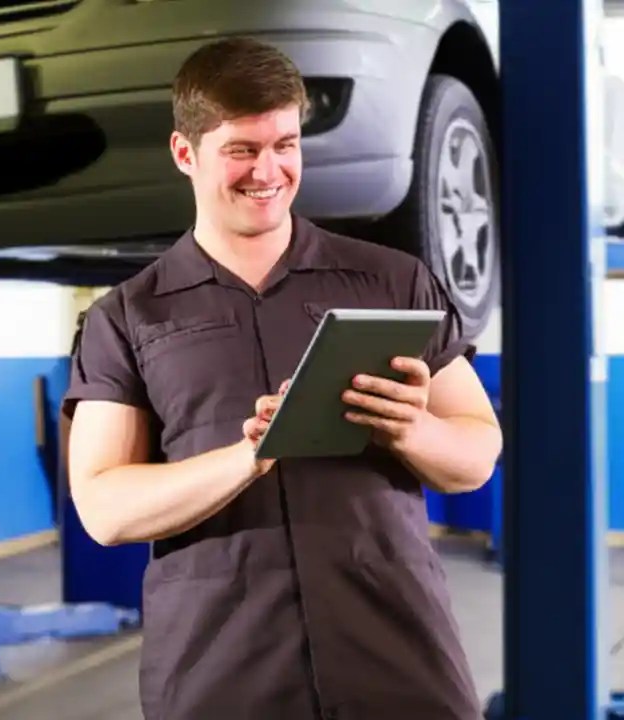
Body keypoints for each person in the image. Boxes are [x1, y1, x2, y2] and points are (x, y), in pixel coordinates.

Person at [62, 37, 502, 720]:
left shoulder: (391, 282)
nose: (267, 171)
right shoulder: (127, 317)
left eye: (285, 145)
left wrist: (413, 430)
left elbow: (476, 455)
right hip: (220, 669)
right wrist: (249, 457)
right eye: (241, 149)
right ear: (185, 153)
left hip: (396, 653)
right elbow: (105, 508)